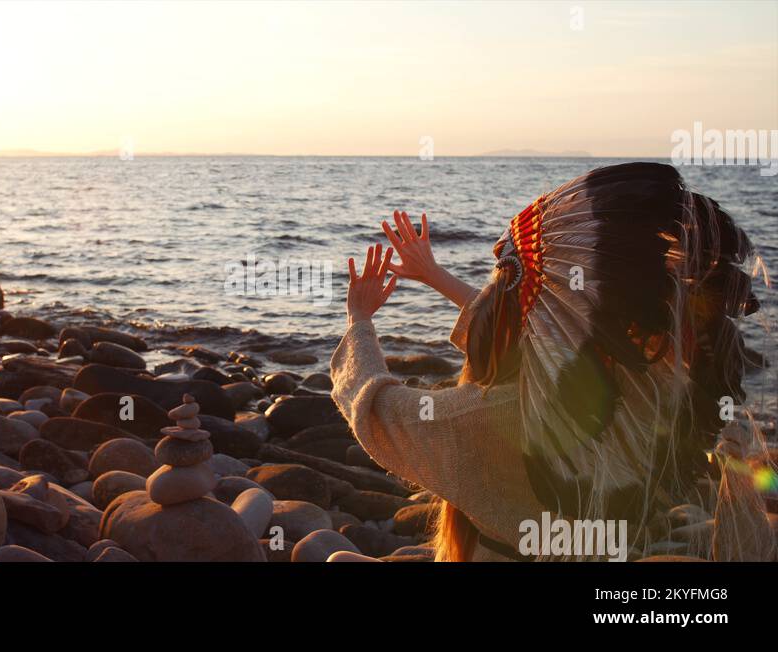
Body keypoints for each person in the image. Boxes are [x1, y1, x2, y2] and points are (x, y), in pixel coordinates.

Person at [331, 162, 774, 561]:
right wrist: (434, 275)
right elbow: (533, 336)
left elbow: (373, 408)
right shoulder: (639, 396)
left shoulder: (475, 420)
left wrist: (360, 320)